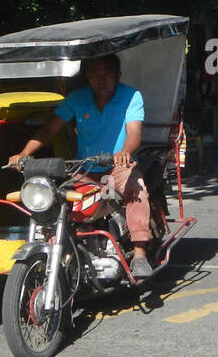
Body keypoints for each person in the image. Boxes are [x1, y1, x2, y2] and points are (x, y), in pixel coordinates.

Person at [9, 54, 154, 280]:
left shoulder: (131, 96)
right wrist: (23, 154)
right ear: (87, 77)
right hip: (85, 169)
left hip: (116, 167)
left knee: (135, 189)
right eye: (95, 75)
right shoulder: (77, 99)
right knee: (57, 198)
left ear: (117, 76)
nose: (101, 80)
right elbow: (49, 130)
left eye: (107, 75)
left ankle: (139, 252)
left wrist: (124, 153)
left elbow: (134, 133)